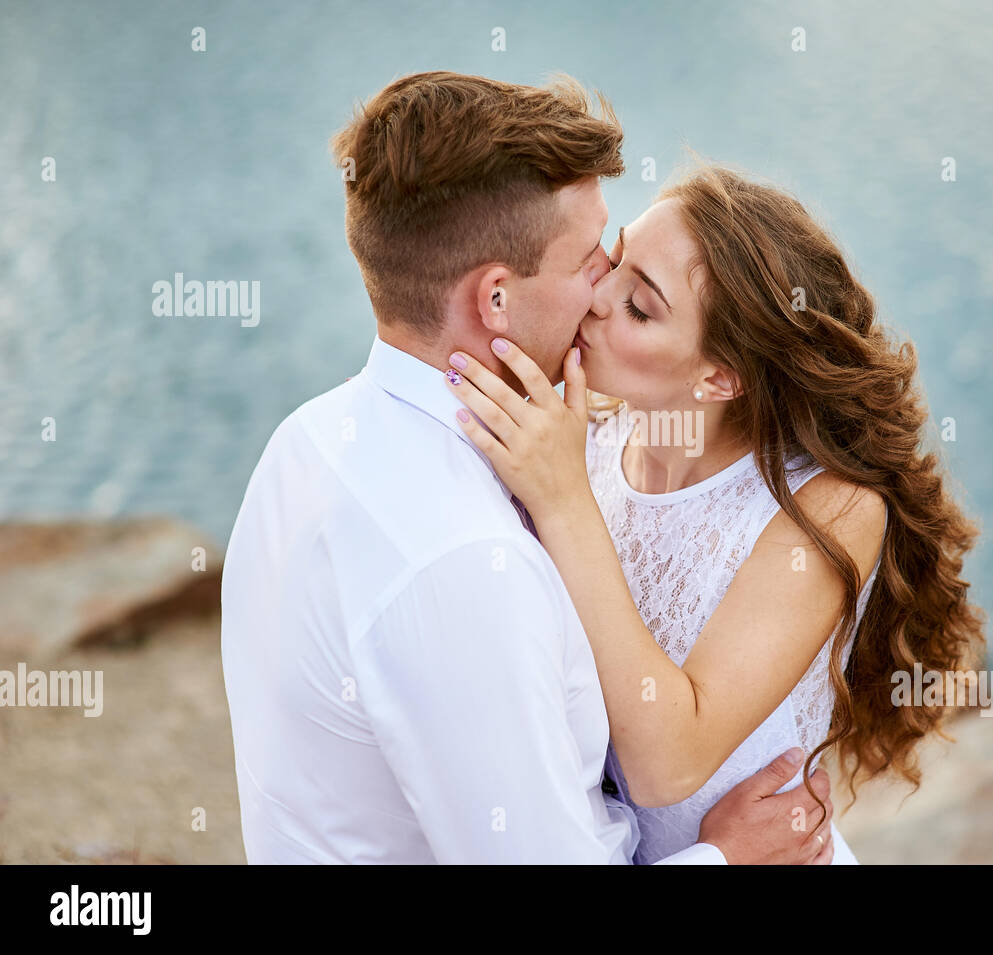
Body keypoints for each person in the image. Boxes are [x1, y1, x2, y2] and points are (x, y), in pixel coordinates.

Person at [220, 71, 835, 864]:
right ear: (496, 300)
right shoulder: (470, 562)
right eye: (589, 261)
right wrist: (726, 859)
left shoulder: (305, 440)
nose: (602, 286)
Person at [441, 164, 988, 863]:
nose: (596, 296)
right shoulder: (588, 434)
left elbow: (665, 762)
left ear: (720, 377)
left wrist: (563, 498)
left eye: (640, 307)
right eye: (616, 256)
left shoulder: (829, 508)